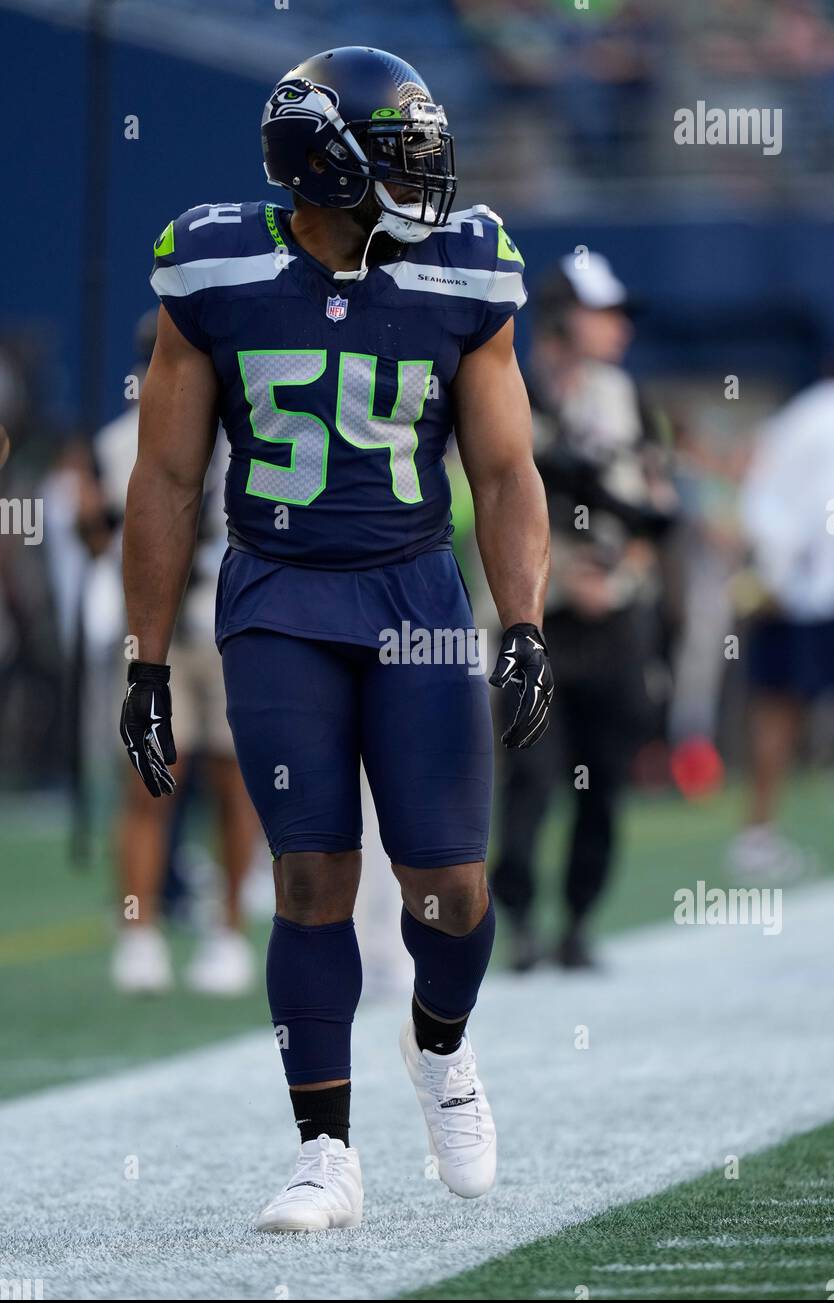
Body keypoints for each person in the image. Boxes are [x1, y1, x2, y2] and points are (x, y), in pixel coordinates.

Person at [120, 47, 552, 1232]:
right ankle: (324, 1149)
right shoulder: (213, 265)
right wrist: (143, 659)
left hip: (413, 597)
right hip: (277, 598)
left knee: (450, 891)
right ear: (324, 163)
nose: (427, 176)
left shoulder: (464, 270)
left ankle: (441, 1050)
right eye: (399, 152)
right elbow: (163, 475)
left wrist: (521, 622)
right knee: (308, 875)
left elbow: (506, 469)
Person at [493, 251, 677, 968]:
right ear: (567, 319)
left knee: (601, 781)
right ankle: (521, 921)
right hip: (539, 617)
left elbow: (659, 512)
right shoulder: (509, 388)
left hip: (615, 617)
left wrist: (621, 569)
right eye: (607, 315)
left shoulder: (626, 397)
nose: (621, 329)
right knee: (532, 778)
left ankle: (575, 922)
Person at [100, 315, 258, 995]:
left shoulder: (249, 438)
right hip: (154, 635)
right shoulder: (118, 441)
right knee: (149, 782)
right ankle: (139, 929)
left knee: (234, 784)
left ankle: (226, 930)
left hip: (229, 629)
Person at [730, 325, 834, 880]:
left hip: (789, 586)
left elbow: (759, 501)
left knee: (776, 709)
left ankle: (758, 836)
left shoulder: (793, 418)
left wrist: (775, 572)